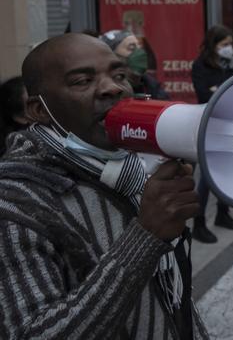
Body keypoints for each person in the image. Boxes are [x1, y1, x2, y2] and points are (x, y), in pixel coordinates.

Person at [0, 33, 206, 338]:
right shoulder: (15, 201)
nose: (113, 87)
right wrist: (146, 236)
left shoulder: (132, 167)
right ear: (38, 111)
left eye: (120, 74)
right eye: (82, 81)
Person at [190, 25, 233, 243]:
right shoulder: (200, 65)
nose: (228, 49)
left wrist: (218, 89)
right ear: (213, 46)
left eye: (230, 44)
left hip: (232, 121)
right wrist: (221, 91)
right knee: (207, 176)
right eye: (224, 45)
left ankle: (223, 213)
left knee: (228, 171)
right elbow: (204, 93)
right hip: (210, 123)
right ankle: (199, 222)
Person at [99, 29, 170, 99]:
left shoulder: (151, 85)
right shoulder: (106, 90)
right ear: (113, 55)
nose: (140, 52)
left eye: (140, 47)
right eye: (131, 47)